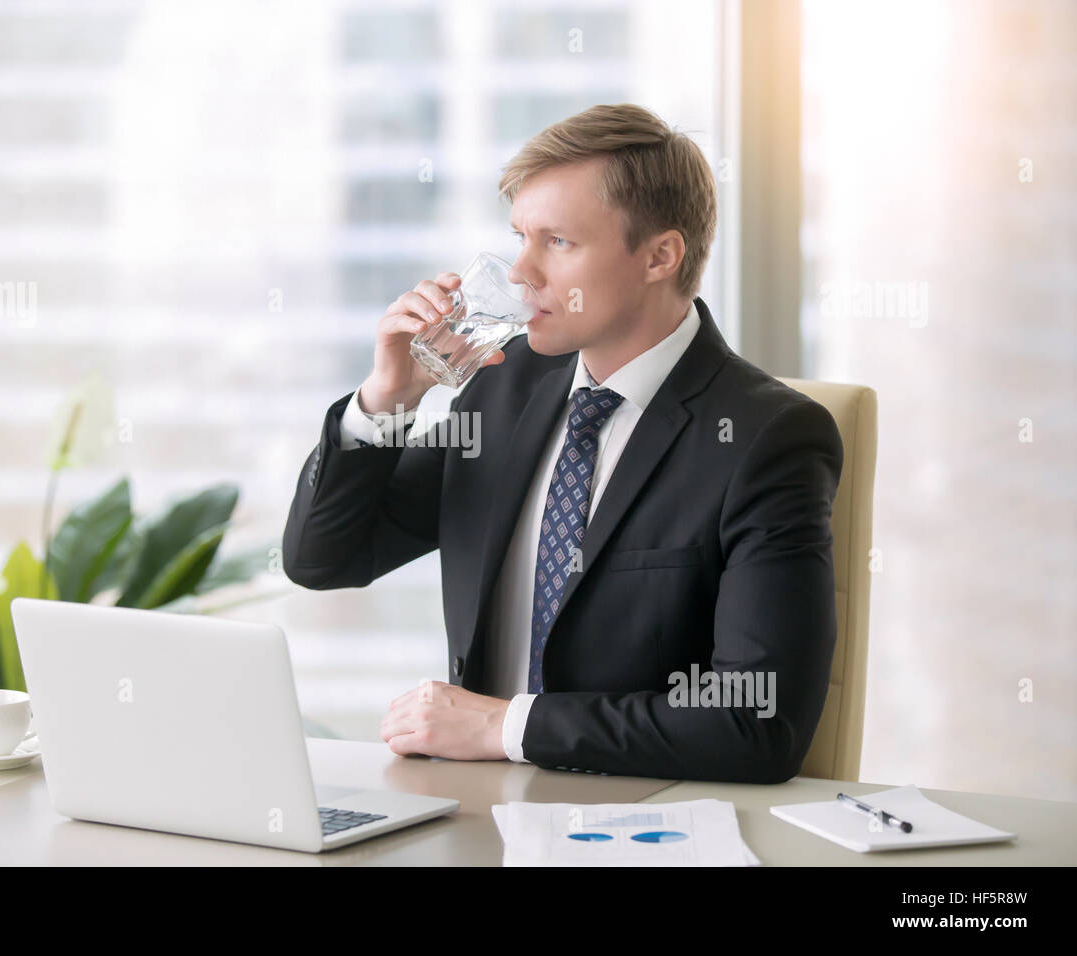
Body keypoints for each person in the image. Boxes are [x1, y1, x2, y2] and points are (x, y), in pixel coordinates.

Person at [282, 103, 844, 783]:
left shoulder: (767, 439)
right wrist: (387, 402)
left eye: (558, 242)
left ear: (661, 255)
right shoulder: (504, 386)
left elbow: (755, 724)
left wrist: (502, 725)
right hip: (479, 810)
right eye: (520, 236)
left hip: (647, 827)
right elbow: (324, 559)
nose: (520, 273)